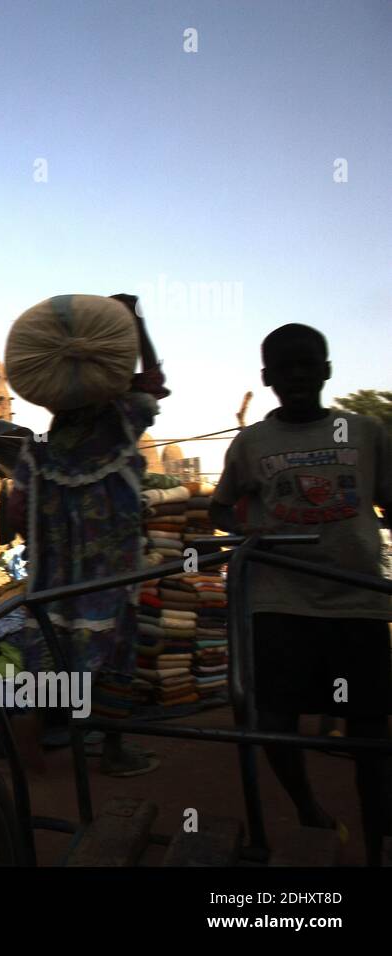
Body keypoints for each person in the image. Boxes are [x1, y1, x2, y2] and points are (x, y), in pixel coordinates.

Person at [210, 323, 391, 866]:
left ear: (327, 369)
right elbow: (221, 508)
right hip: (280, 602)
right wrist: (247, 535)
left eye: (306, 364)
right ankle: (308, 808)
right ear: (266, 377)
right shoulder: (251, 444)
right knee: (273, 721)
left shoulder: (365, 433)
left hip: (357, 602)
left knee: (370, 733)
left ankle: (376, 843)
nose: (295, 376)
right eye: (283, 367)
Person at [6, 294, 164, 777]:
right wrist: (135, 322)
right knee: (116, 657)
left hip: (53, 585)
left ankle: (28, 755)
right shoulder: (122, 425)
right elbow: (152, 382)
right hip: (111, 580)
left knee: (44, 663)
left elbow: (15, 515)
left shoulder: (38, 453)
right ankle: (113, 752)